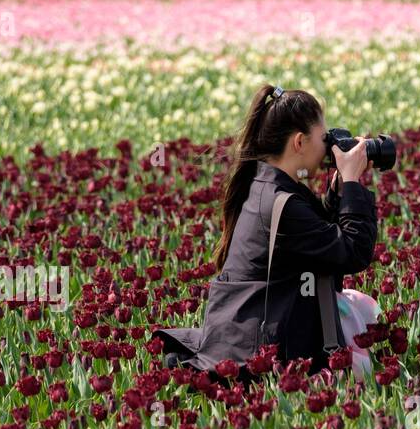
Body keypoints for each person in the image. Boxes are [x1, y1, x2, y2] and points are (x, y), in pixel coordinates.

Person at [155, 84, 378, 378]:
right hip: (261, 351)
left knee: (357, 308)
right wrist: (351, 183)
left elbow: (317, 236)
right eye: (324, 138)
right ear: (299, 142)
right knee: (360, 350)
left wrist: (338, 192)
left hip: (250, 328)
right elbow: (353, 252)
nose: (329, 147)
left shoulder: (267, 184)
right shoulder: (281, 202)